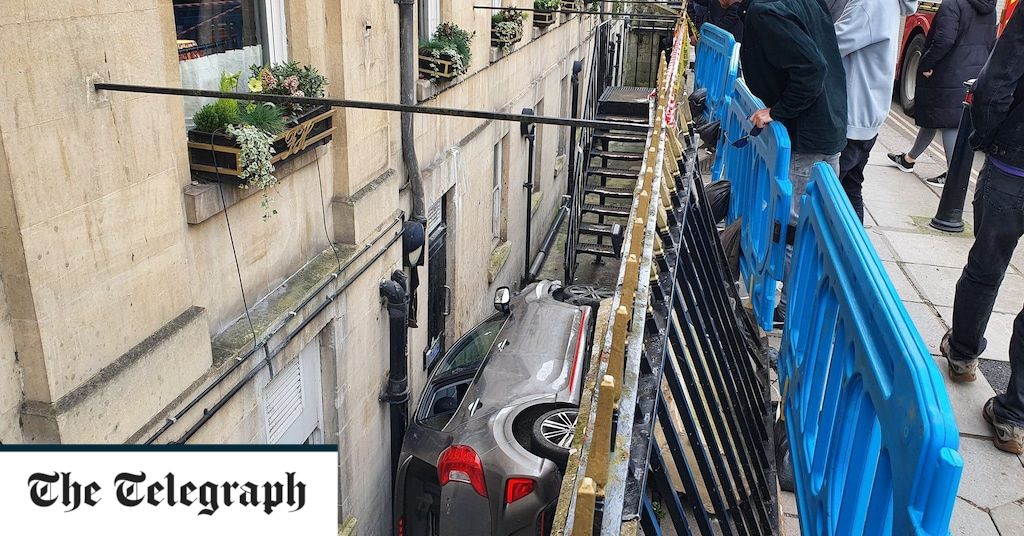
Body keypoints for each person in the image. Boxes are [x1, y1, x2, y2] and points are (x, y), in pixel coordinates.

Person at [943, 5, 1024, 455]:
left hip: (1014, 165)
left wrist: (988, 138)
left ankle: (963, 355)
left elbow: (997, 81)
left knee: (986, 267)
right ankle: (1013, 418)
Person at [739, 0, 847, 323]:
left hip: (809, 136)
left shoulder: (766, 11)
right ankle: (797, 309)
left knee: (793, 228)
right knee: (810, 226)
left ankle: (789, 312)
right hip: (827, 126)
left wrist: (775, 112)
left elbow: (813, 68)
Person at [887, 0, 996, 187]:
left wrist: (927, 63)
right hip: (974, 69)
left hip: (949, 69)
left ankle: (953, 177)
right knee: (936, 114)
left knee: (948, 123)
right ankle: (909, 159)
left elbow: (944, 40)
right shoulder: (990, 7)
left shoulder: (953, 3)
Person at [834, 0, 920, 221]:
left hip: (852, 116)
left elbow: (832, 43)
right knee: (850, 187)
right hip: (867, 114)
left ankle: (840, 252)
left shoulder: (872, 2)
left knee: (829, 193)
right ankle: (851, 252)